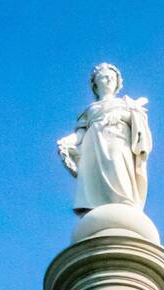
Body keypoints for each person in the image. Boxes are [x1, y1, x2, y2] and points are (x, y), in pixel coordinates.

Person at [57, 62, 152, 213]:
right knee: (94, 178)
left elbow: (138, 120)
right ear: (95, 84)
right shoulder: (90, 110)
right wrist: (67, 141)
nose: (108, 79)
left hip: (118, 139)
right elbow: (80, 134)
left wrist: (121, 114)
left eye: (111, 77)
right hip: (93, 143)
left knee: (117, 164)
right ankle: (97, 208)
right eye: (103, 77)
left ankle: (124, 203)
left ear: (117, 83)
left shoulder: (124, 103)